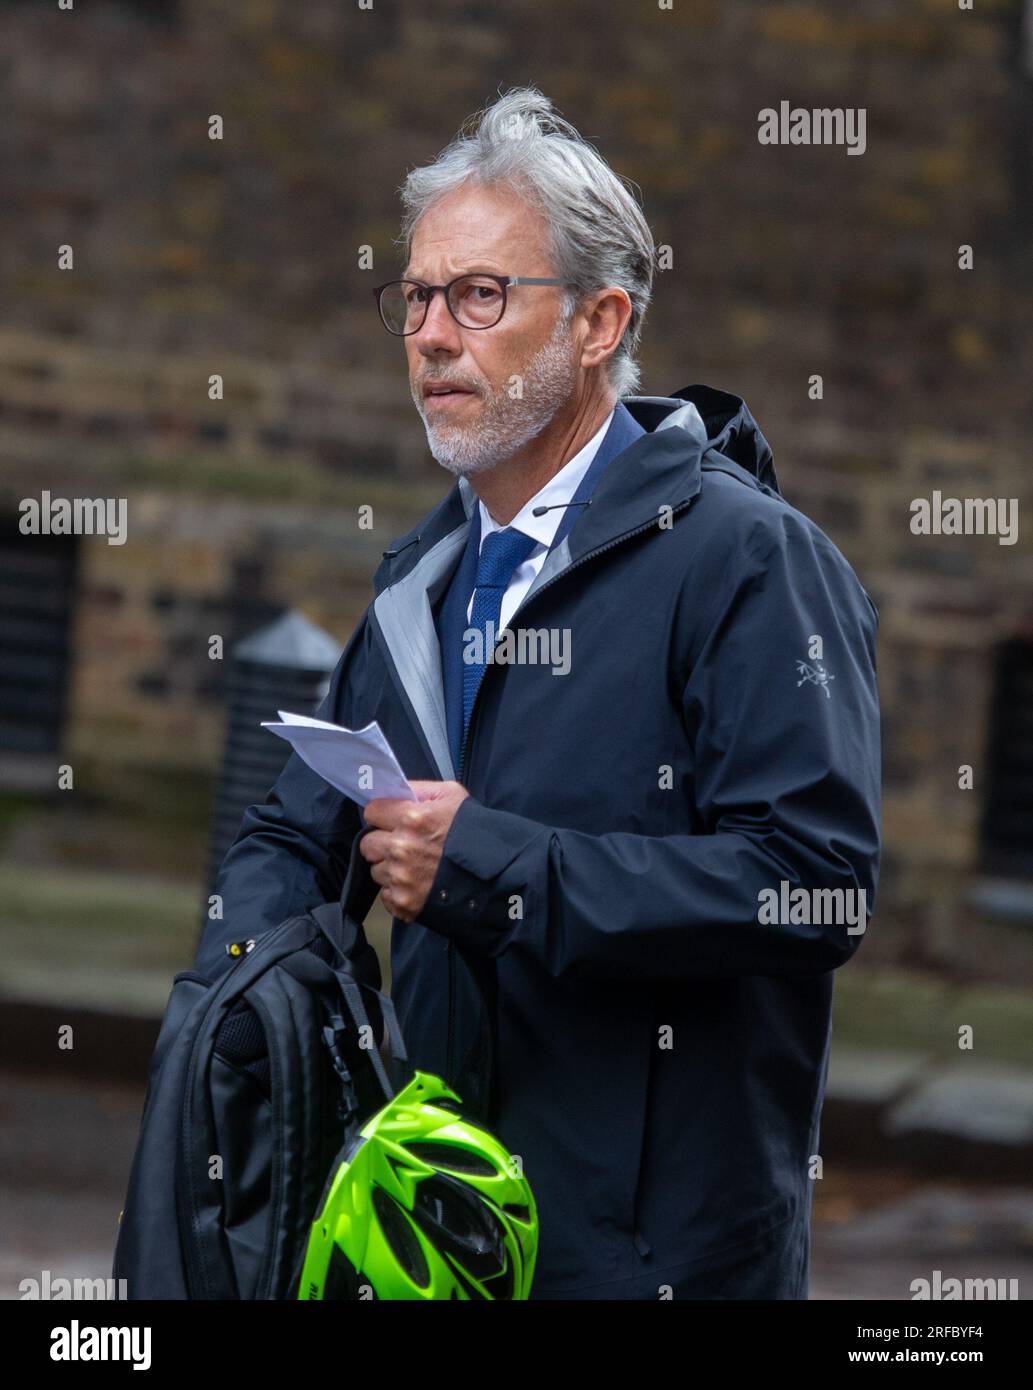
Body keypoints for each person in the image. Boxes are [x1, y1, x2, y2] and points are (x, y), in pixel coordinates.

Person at [195, 85, 881, 1300]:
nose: (430, 334)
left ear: (600, 321)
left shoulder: (746, 560)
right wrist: (234, 989)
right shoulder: (425, 573)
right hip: (440, 1236)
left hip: (654, 1262)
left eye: (479, 295)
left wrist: (493, 868)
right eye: (415, 296)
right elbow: (298, 830)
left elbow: (812, 886)